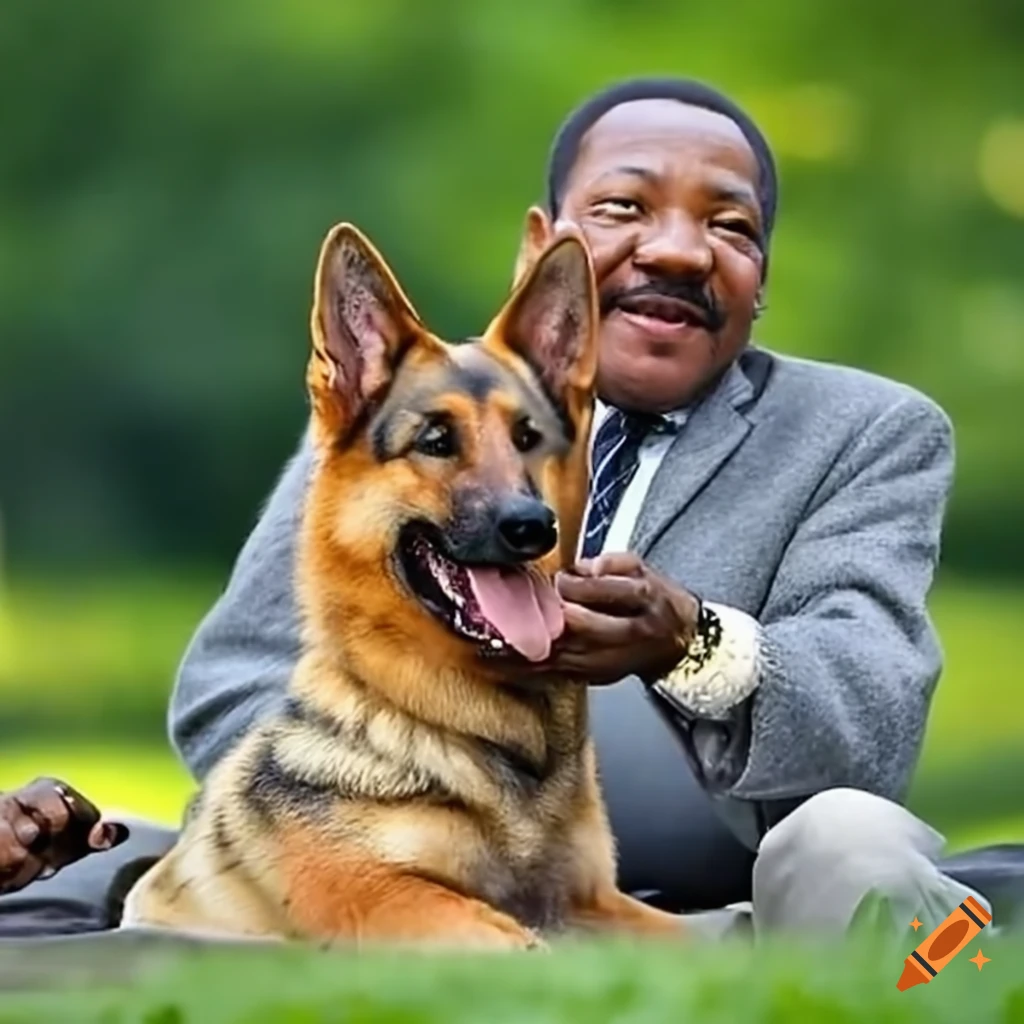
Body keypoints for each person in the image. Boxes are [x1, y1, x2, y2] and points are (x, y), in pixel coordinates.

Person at [1, 78, 1008, 942]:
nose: (680, 250)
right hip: (397, 885)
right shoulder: (392, 424)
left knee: (854, 849)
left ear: (761, 278)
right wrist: (408, 843)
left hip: (720, 909)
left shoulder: (865, 431)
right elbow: (229, 690)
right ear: (543, 248)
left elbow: (866, 722)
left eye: (730, 226)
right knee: (102, 867)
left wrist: (691, 645)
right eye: (623, 208)